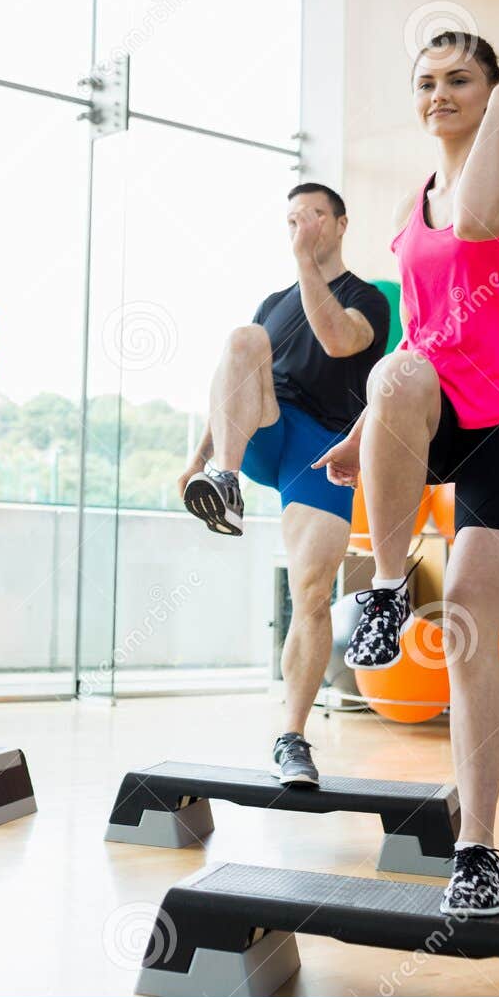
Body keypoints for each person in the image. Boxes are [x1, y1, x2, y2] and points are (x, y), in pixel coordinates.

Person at [316, 31, 499, 917]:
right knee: (394, 373)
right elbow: (417, 338)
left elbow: (480, 221)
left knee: (463, 629)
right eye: (427, 82)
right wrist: (365, 428)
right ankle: (383, 587)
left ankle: (477, 849)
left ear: (492, 88)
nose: (440, 94)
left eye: (461, 80)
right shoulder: (407, 201)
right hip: (434, 407)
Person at [179, 184, 389, 787]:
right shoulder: (271, 301)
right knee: (244, 340)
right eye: (292, 219)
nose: (303, 226)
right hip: (264, 430)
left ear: (341, 224)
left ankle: (291, 738)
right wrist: (198, 459)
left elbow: (339, 342)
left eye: (315, 216)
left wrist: (305, 263)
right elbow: (230, 384)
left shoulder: (367, 298)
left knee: (313, 590)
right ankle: (225, 480)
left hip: (320, 450)